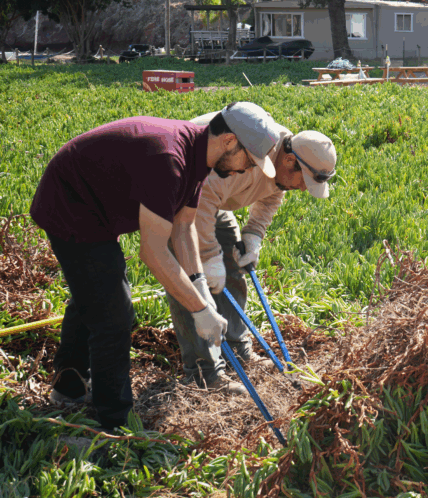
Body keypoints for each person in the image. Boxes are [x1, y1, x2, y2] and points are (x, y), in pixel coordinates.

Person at [30, 102, 283, 431]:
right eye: (249, 160)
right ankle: (116, 423)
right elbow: (152, 252)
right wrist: (199, 310)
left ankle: (68, 383)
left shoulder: (197, 155)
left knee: (96, 289)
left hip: (100, 205)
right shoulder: (170, 161)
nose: (245, 170)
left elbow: (183, 227)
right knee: (114, 314)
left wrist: (199, 286)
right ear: (229, 141)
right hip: (71, 202)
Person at [167, 112, 337, 395]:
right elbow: (203, 200)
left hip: (214, 201)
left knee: (232, 269)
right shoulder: (252, 148)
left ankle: (236, 347)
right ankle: (203, 372)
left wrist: (253, 235)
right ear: (289, 160)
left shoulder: (286, 161)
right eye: (304, 180)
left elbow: (273, 194)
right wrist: (208, 258)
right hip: (185, 194)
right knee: (192, 282)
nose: (303, 188)